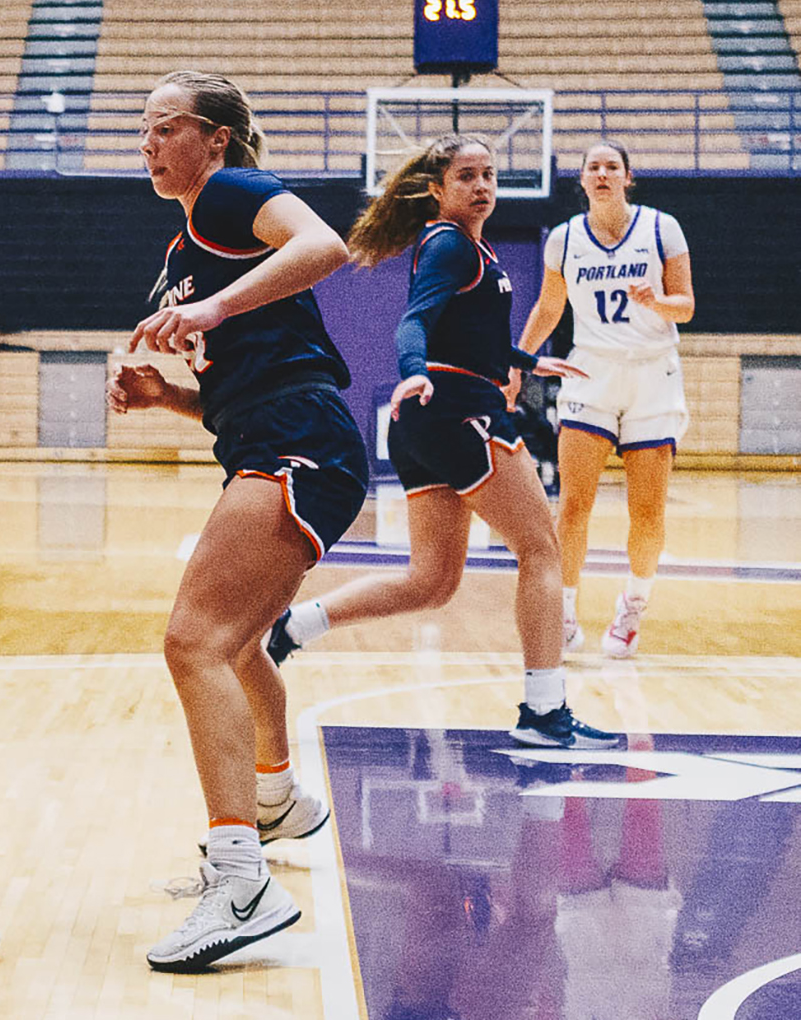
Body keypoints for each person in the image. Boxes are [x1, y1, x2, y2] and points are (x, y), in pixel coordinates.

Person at [108, 71, 363, 972]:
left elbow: (325, 243)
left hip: (300, 437)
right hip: (270, 431)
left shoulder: (230, 192)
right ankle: (277, 799)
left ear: (215, 138)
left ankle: (241, 880)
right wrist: (168, 397)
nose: (148, 142)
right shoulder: (188, 245)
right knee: (237, 643)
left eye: (165, 126)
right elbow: (239, 388)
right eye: (142, 129)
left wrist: (212, 306)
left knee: (194, 644)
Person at [262, 135, 616, 752]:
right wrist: (413, 368)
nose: (481, 186)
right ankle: (544, 710)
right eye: (466, 176)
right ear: (437, 189)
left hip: (428, 422)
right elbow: (416, 321)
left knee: (432, 581)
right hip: (457, 412)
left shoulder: (465, 248)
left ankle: (296, 625)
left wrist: (526, 360)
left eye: (489, 175)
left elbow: (467, 337)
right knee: (541, 549)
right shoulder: (450, 243)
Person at [514, 142, 694, 658]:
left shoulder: (663, 228)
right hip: (590, 372)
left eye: (611, 166)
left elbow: (686, 305)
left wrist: (657, 301)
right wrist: (517, 363)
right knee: (572, 505)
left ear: (626, 177)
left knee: (648, 512)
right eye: (593, 167)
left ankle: (633, 605)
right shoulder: (566, 240)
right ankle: (565, 611)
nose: (601, 173)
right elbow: (549, 308)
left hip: (652, 375)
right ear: (583, 179)